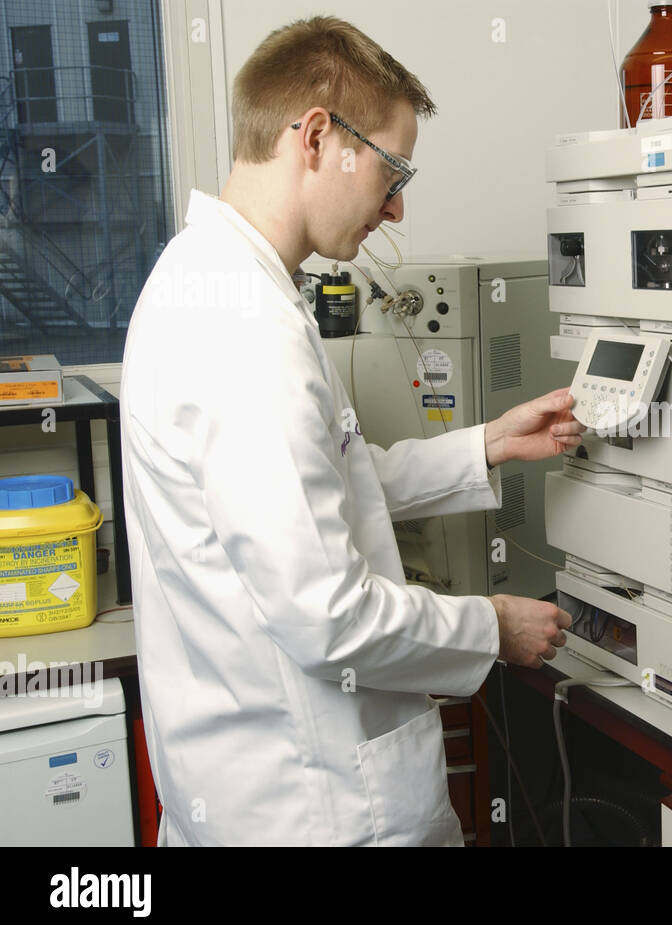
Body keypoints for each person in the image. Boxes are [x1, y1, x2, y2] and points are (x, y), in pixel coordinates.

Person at [120, 15, 581, 846]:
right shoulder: (242, 326)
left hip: (248, 790)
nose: (398, 203)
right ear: (319, 136)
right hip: (316, 807)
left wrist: (489, 443)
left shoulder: (208, 279)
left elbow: (326, 478)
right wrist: (493, 625)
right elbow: (330, 618)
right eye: (392, 168)